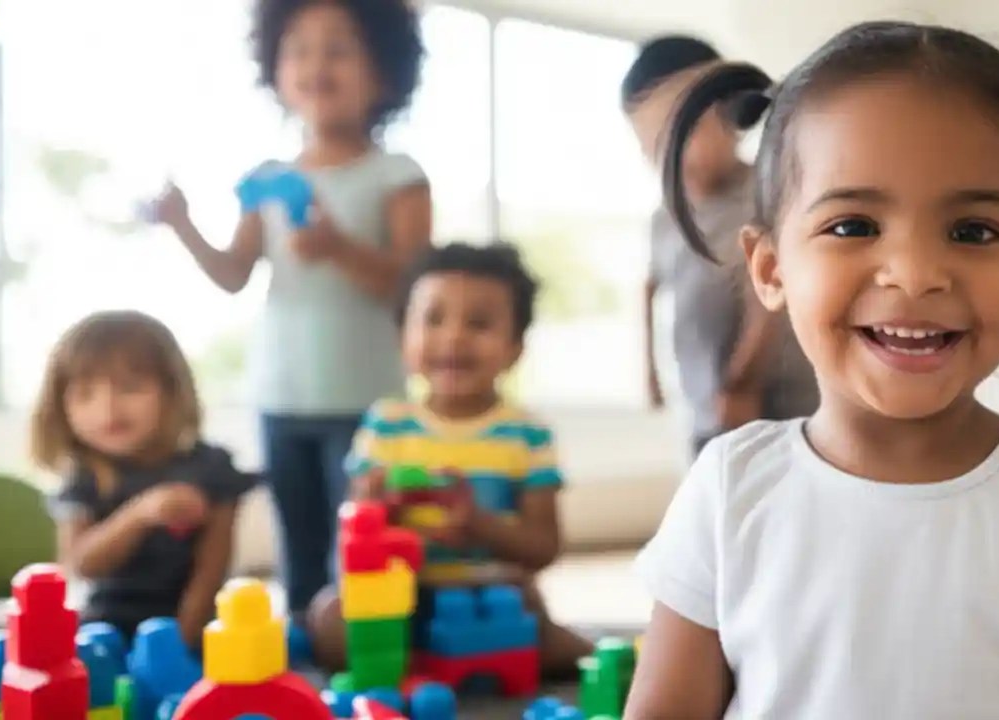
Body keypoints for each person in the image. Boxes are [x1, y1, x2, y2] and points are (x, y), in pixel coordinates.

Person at [628, 22, 999, 719]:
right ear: (770, 268)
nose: (915, 275)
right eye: (852, 225)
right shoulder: (728, 489)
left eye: (974, 231)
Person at [150, 0, 432, 619]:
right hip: (280, 392)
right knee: (298, 550)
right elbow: (232, 274)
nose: (315, 64)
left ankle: (365, 651)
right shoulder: (267, 177)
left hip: (368, 401)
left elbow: (417, 291)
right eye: (298, 49)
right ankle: (306, 665)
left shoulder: (397, 173)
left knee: (362, 547)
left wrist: (339, 249)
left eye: (339, 48)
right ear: (274, 69)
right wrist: (183, 224)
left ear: (384, 72)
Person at [306, 242, 593, 677]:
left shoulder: (526, 433)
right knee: (327, 618)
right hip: (402, 594)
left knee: (565, 647)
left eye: (479, 323)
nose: (454, 336)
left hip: (492, 594)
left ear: (515, 347)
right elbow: (352, 539)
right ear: (404, 338)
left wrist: (477, 523)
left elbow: (543, 547)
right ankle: (425, 659)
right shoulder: (386, 424)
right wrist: (374, 508)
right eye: (433, 319)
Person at [622, 35, 818, 458]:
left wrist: (742, 381)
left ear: (729, 115)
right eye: (653, 148)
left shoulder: (764, 193)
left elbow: (765, 295)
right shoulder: (665, 217)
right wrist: (649, 373)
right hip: (705, 403)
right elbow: (649, 286)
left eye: (684, 135)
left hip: (779, 399)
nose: (672, 160)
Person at [33, 311, 253, 647]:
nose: (108, 408)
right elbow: (82, 564)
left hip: (194, 624)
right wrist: (139, 515)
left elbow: (211, 570)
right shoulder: (83, 476)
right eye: (85, 394)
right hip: (107, 624)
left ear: (170, 390)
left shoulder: (211, 467)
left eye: (130, 388)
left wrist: (182, 640)